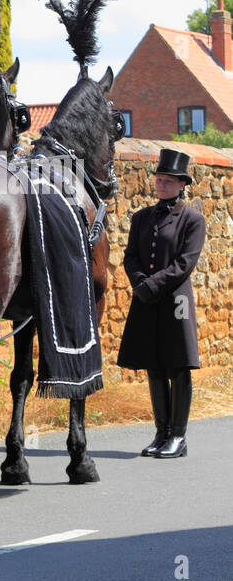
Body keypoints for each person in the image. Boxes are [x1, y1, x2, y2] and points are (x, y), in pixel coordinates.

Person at [118, 148, 206, 459]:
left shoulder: (193, 219)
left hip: (176, 300)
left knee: (178, 366)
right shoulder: (142, 217)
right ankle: (161, 433)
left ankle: (178, 437)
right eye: (159, 179)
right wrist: (140, 283)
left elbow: (185, 263)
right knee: (154, 367)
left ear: (182, 184)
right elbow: (131, 256)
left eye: (168, 181)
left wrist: (151, 285)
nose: (161, 185)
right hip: (146, 299)